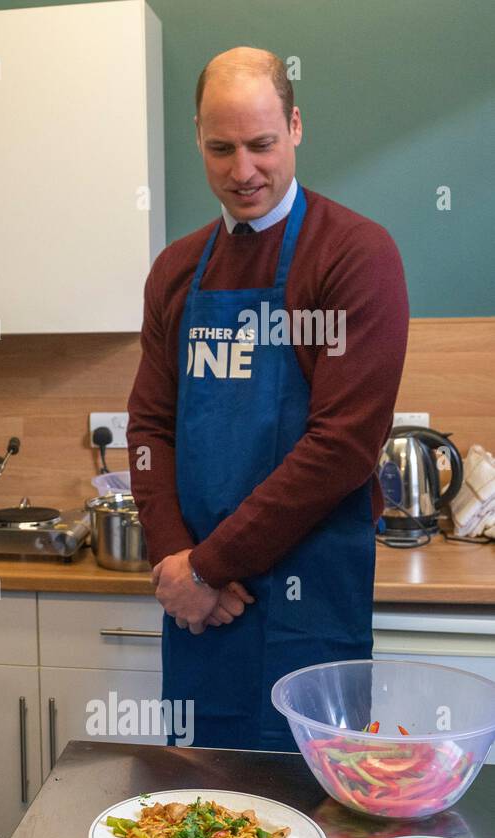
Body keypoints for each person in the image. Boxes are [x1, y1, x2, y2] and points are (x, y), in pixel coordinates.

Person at [127, 48, 409, 751]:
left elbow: (340, 448)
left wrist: (208, 565)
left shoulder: (355, 255)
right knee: (199, 815)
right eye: (221, 148)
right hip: (201, 613)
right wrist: (173, 559)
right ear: (197, 136)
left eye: (261, 144)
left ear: (296, 126)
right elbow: (148, 425)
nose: (242, 170)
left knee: (309, 822)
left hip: (305, 604)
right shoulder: (175, 270)